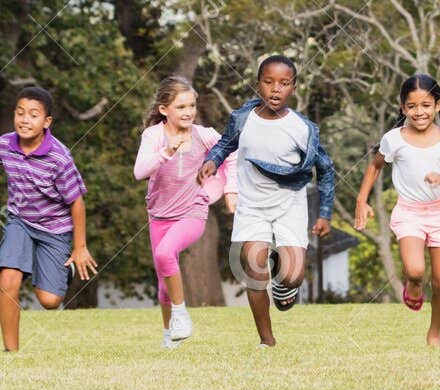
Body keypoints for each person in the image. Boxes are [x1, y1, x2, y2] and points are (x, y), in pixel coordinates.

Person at [198, 56, 335, 347]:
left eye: (284, 84)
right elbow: (225, 144)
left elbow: (325, 169)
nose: (275, 89)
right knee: (253, 269)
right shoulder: (243, 119)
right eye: (268, 82)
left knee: (294, 276)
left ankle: (284, 280)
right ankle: (267, 340)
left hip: (290, 204)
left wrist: (324, 213)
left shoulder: (302, 128)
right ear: (258, 83)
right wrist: (212, 161)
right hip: (252, 206)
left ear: (293, 88)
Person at [0, 85, 97, 351]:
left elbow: (77, 203)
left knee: (50, 301)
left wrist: (80, 247)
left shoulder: (59, 157)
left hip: (56, 229)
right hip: (20, 221)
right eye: (20, 113)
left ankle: (49, 270)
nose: (25, 120)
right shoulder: (4, 145)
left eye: (33, 115)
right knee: (8, 278)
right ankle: (11, 352)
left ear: (46, 121)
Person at [354, 74, 440, 346]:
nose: (420, 112)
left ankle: (434, 332)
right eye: (413, 106)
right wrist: (362, 200)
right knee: (415, 270)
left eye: (426, 105)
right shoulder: (394, 139)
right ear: (403, 108)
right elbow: (375, 166)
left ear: (438, 106)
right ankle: (413, 286)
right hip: (410, 213)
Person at [134, 75, 236, 348]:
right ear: (164, 110)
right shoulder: (153, 135)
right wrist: (165, 152)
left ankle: (182, 316)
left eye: (192, 105)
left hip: (193, 211)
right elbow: (139, 171)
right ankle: (170, 335)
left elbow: (232, 153)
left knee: (165, 254)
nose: (189, 112)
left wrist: (226, 190)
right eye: (181, 107)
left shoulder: (204, 135)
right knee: (164, 284)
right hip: (159, 215)